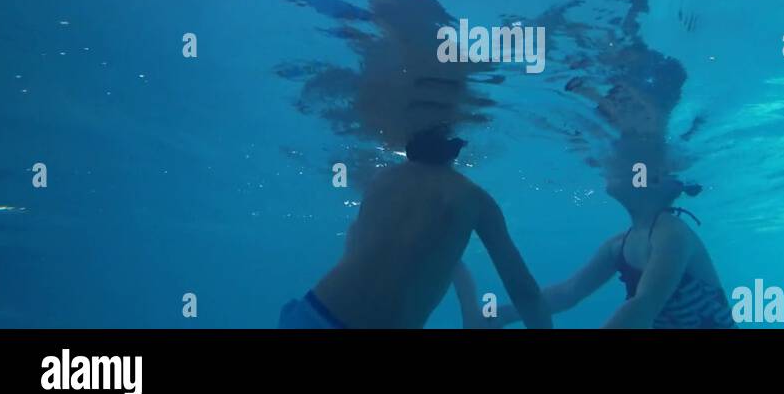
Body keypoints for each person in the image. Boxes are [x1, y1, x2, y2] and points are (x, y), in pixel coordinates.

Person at [279, 125, 552, 329]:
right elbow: (522, 289)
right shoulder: (474, 198)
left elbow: (356, 246)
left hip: (314, 312)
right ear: (455, 150)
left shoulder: (382, 178)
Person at [484, 138, 734, 329]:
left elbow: (644, 304)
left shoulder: (672, 234)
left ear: (653, 180)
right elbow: (567, 293)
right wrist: (500, 315)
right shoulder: (620, 244)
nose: (609, 163)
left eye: (624, 161)